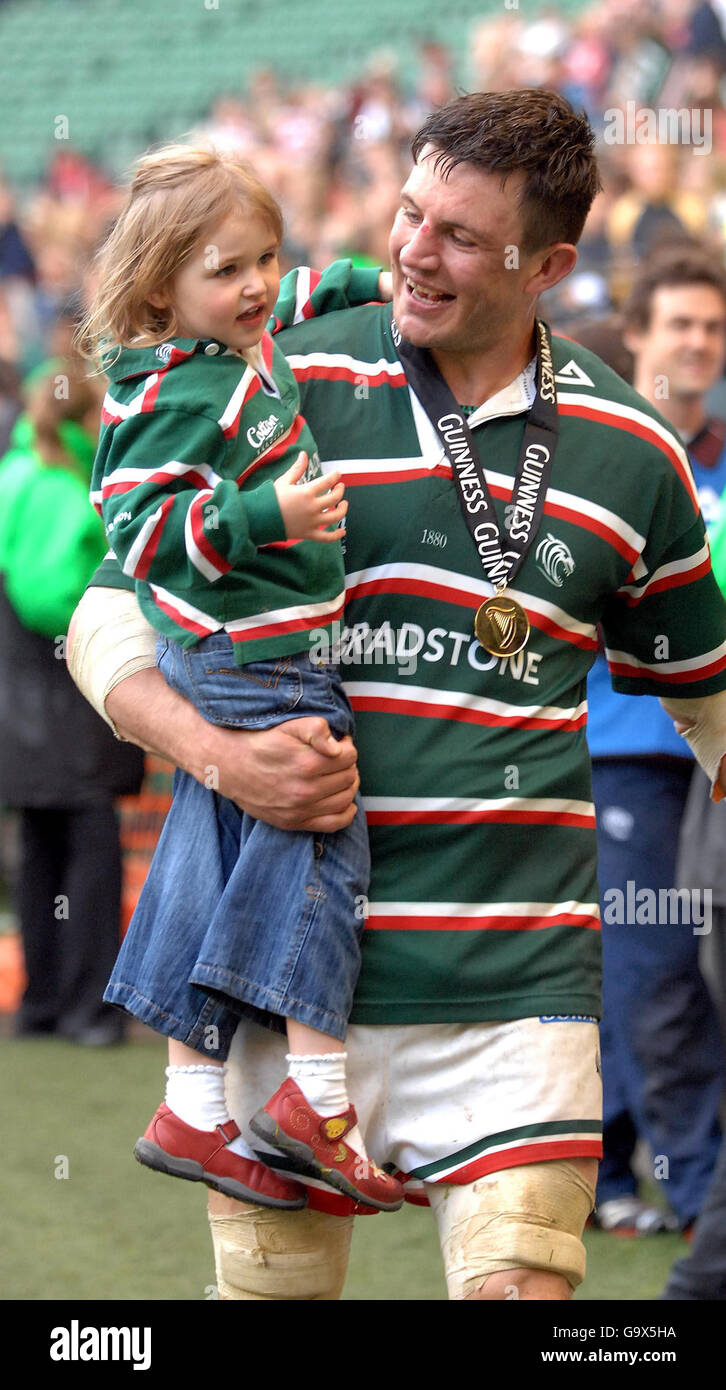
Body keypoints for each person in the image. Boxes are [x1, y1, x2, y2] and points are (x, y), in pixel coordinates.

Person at [69, 89, 726, 1302]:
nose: (414, 250)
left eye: (461, 236)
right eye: (410, 212)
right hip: (289, 980)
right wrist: (222, 754)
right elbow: (105, 618)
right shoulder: (272, 376)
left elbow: (707, 698)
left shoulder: (635, 449)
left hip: (519, 999)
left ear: (550, 263)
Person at [78, 143, 401, 1212]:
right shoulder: (177, 391)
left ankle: (194, 1104)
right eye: (228, 269)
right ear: (162, 285)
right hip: (255, 652)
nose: (258, 284)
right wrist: (270, 516)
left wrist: (362, 279)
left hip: (254, 644)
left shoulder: (236, 331)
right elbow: (137, 526)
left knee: (211, 842)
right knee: (325, 828)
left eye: (266, 258)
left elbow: (291, 289)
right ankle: (315, 1097)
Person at [585, 246, 726, 1234]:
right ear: (637, 335)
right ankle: (696, 1191)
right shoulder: (599, 452)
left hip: (713, 752)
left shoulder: (720, 455)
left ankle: (608, 1174)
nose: (700, 342)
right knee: (654, 968)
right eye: (680, 323)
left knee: (676, 972)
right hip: (626, 743)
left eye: (714, 327)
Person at [0, 357, 144, 1043]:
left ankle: (42, 1001)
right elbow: (50, 594)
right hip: (68, 707)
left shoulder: (14, 474)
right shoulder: (62, 486)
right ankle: (91, 1005)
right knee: (90, 854)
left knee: (40, 854)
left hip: (21, 712)